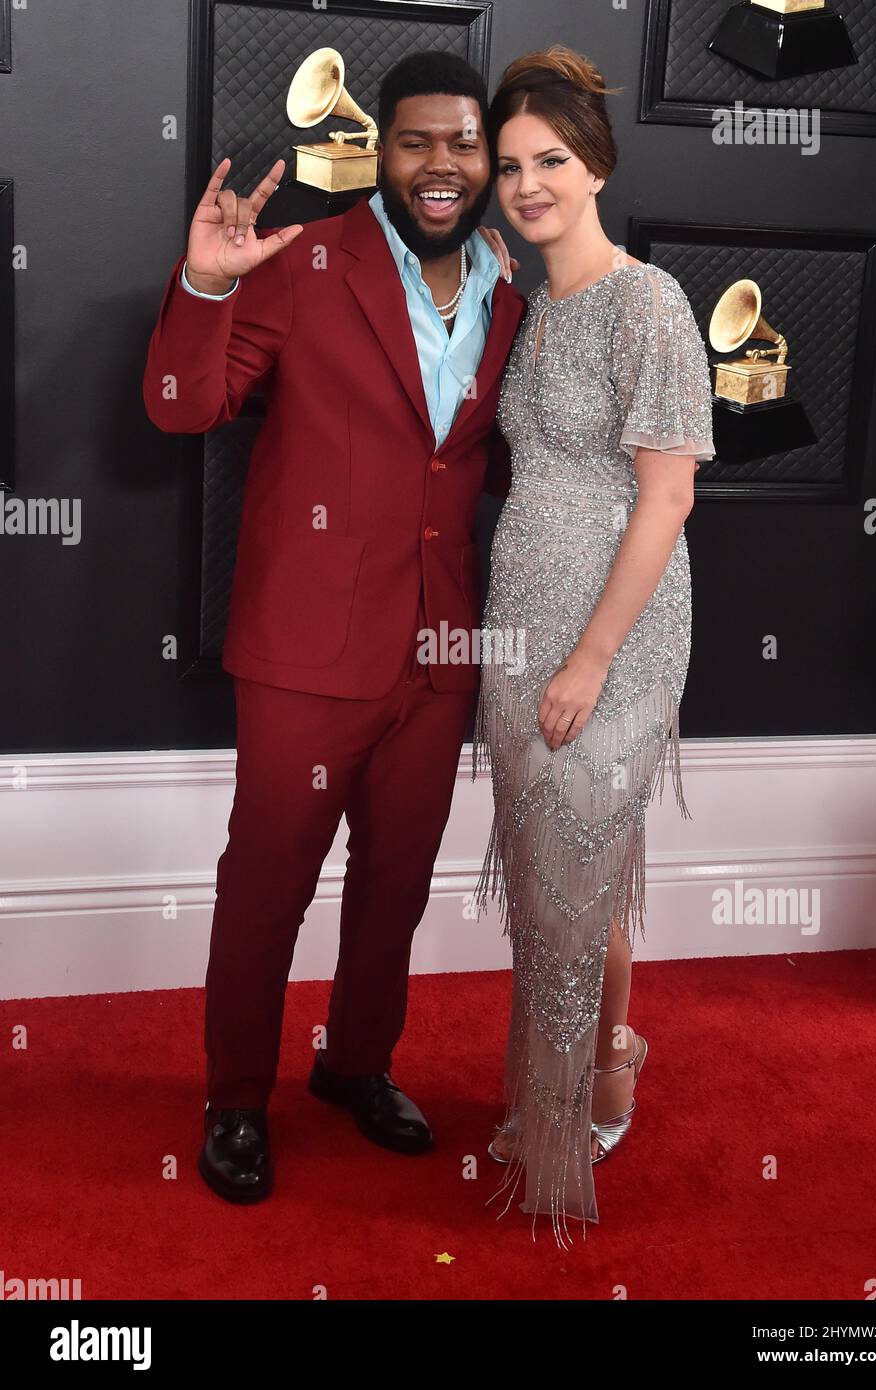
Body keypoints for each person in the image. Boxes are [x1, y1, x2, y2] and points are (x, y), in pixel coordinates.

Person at [143, 51, 525, 1204]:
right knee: (268, 881)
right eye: (418, 142)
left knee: (397, 880)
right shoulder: (304, 264)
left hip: (442, 651)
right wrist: (207, 286)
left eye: (465, 143)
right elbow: (182, 406)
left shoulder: (510, 290)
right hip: (309, 648)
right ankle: (236, 1099)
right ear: (381, 154)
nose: (444, 165)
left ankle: (355, 1065)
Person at [470, 45, 715, 1246]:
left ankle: (566, 1114)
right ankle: (606, 1054)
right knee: (556, 869)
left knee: (579, 863)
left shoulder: (650, 302)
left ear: (597, 162)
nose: (526, 182)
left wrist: (590, 660)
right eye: (510, 165)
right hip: (518, 617)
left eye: (550, 160)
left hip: (613, 632)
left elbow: (666, 500)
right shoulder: (528, 303)